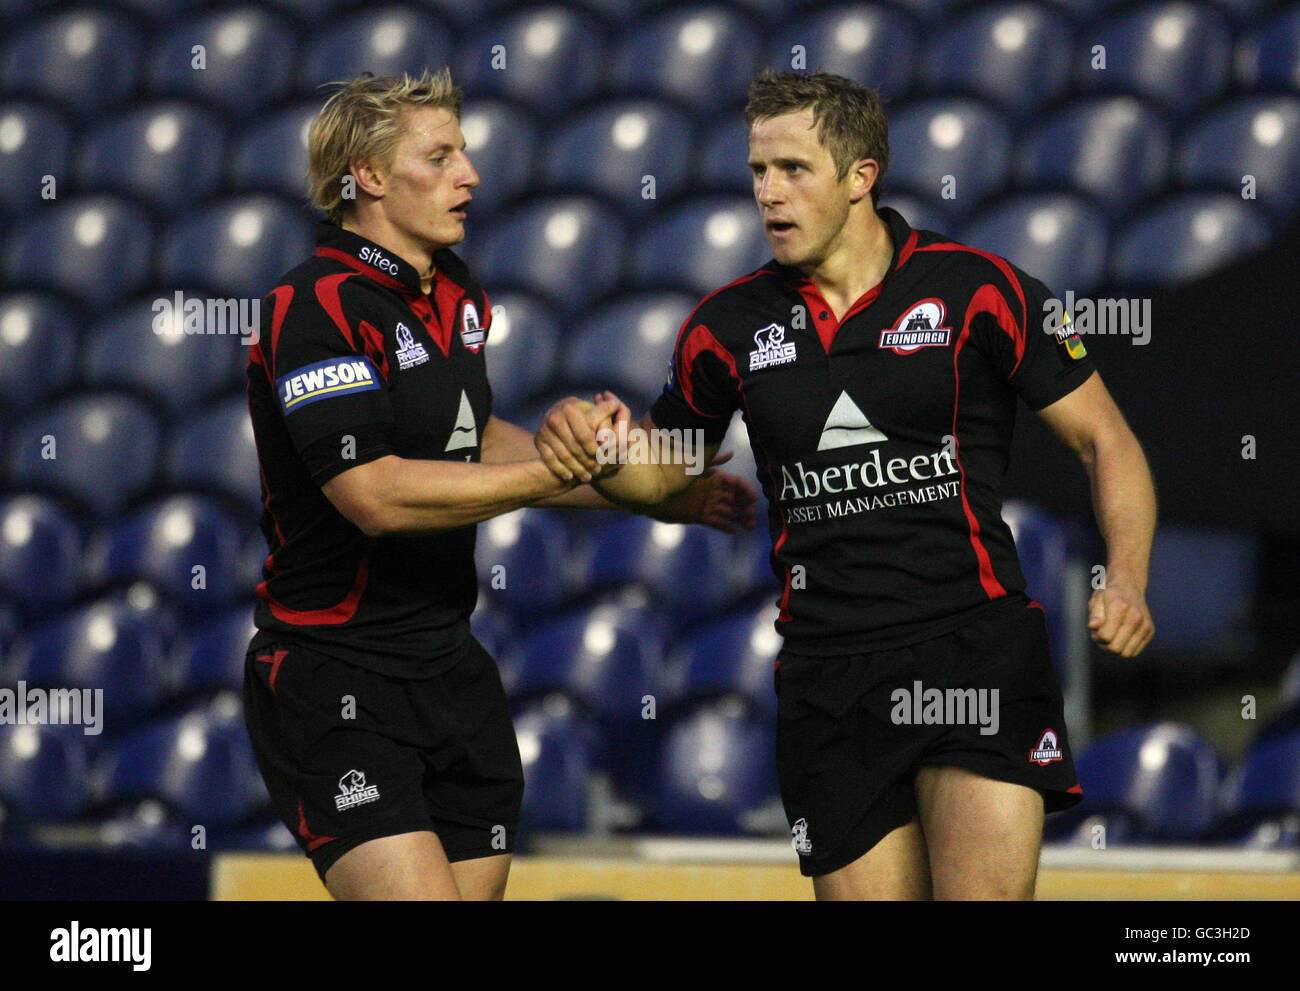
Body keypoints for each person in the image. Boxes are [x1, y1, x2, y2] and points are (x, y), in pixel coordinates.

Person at [536, 70, 1157, 901]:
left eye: (793, 169)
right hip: (829, 676)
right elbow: (672, 468)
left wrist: (1127, 575)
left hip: (972, 648)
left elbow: (1106, 440)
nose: (768, 194)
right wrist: (614, 457)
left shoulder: (982, 290)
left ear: (861, 176)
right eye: (758, 172)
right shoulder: (724, 328)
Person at [242, 68, 756, 901]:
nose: (470, 175)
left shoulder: (452, 292)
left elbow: (472, 441)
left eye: (466, 153)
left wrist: (646, 492)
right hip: (336, 675)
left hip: (452, 674)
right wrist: (548, 468)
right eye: (440, 156)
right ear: (367, 175)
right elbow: (371, 494)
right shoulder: (314, 305)